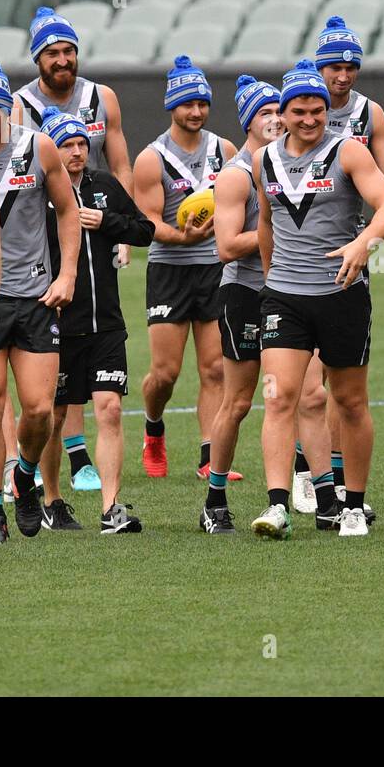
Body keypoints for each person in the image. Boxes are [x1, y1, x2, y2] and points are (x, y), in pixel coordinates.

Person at [250, 60, 384, 539]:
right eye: (299, 111)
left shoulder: (349, 152)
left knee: (350, 402)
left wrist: (364, 243)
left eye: (317, 110)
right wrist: (272, 279)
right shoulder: (263, 160)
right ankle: (278, 506)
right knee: (279, 398)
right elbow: (266, 225)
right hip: (285, 299)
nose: (310, 119)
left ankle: (352, 505)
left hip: (341, 294)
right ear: (282, 112)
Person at [0, 61, 79, 542]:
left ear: (10, 110)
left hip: (35, 294)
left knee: (41, 409)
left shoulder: (37, 147)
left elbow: (67, 209)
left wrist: (67, 274)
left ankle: (24, 475)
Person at [296, 15, 384, 512]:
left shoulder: (370, 114)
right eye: (334, 66)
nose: (342, 76)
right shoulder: (297, 106)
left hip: (351, 251)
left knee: (340, 377)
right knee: (306, 384)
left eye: (350, 67)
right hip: (297, 259)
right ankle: (306, 473)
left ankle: (336, 480)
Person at [12, 7, 134, 494]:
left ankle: (82, 467)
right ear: (37, 58)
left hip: (94, 231)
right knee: (49, 362)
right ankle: (37, 472)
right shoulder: (20, 106)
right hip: (41, 244)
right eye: (52, 53)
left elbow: (120, 164)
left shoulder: (102, 98)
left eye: (68, 51)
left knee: (92, 333)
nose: (62, 60)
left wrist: (121, 232)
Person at [35, 106, 154, 532]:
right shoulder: (35, 193)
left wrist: (108, 222)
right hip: (55, 323)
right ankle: (51, 500)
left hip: (105, 322)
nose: (77, 152)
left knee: (109, 409)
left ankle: (111, 508)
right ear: (49, 148)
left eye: (82, 143)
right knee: (52, 414)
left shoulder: (104, 185)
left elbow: (144, 230)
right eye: (67, 145)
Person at [133, 56, 236, 479]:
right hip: (170, 271)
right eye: (187, 103)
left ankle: (209, 458)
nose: (195, 111)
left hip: (214, 268)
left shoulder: (224, 150)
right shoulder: (151, 158)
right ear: (172, 105)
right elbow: (149, 223)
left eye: (202, 104)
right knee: (165, 373)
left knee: (214, 368)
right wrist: (185, 237)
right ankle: (154, 429)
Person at [200, 76, 283, 534]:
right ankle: (214, 498)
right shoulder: (235, 174)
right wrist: (281, 235)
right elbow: (227, 246)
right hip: (245, 293)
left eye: (278, 111)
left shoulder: (298, 162)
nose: (274, 119)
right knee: (238, 401)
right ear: (249, 122)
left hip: (292, 292)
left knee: (301, 396)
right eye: (263, 113)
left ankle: (325, 495)